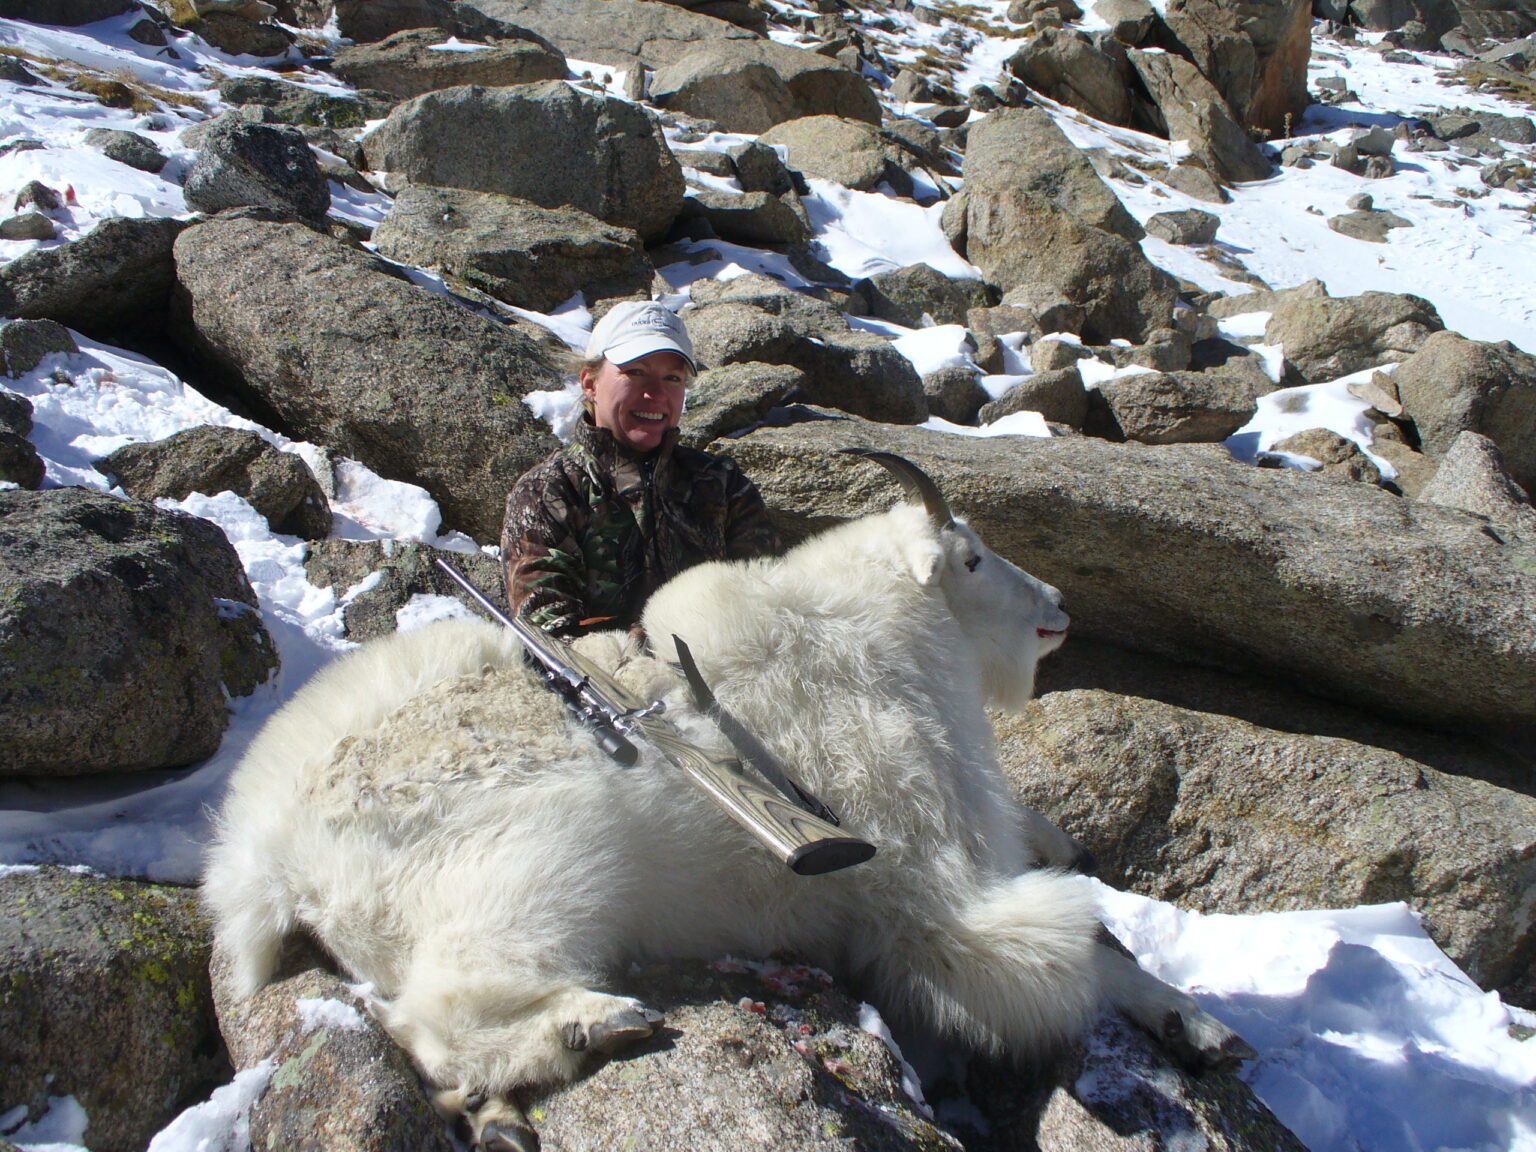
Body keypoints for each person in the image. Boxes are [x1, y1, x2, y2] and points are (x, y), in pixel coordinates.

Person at [501, 300, 781, 638]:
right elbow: (549, 632)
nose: (656, 394)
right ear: (590, 383)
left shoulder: (721, 483)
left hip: (724, 677)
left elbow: (766, 595)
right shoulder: (549, 491)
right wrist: (656, 651)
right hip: (609, 684)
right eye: (635, 372)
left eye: (672, 378)